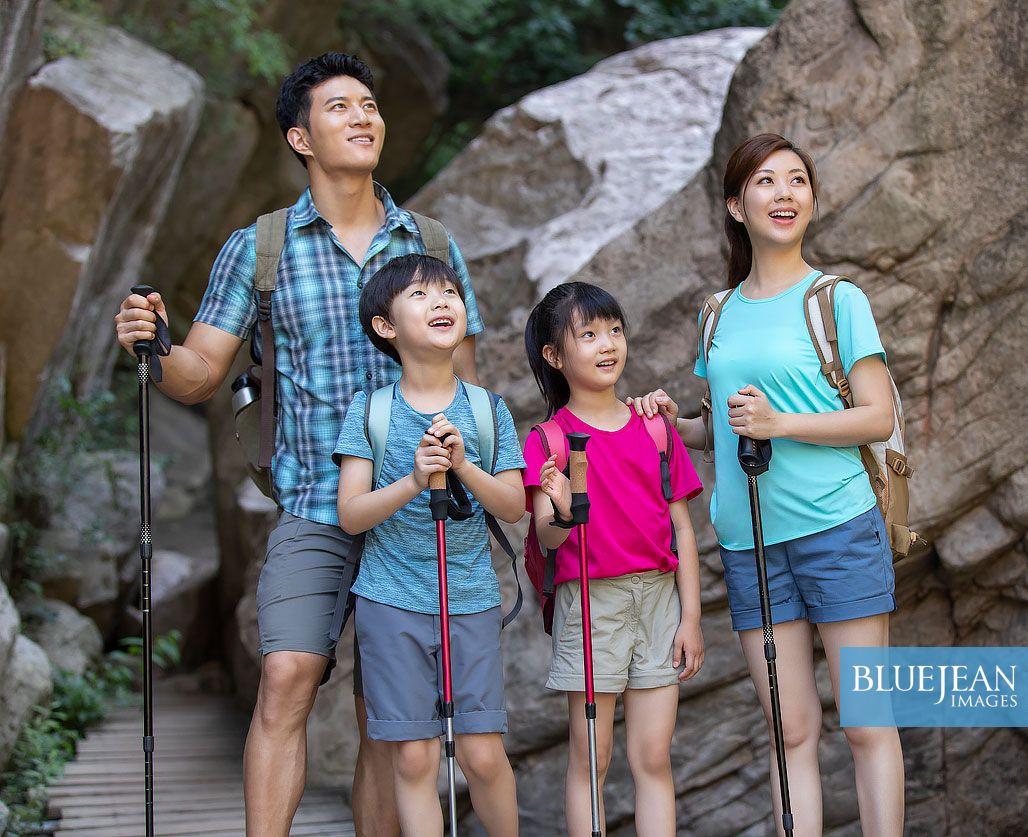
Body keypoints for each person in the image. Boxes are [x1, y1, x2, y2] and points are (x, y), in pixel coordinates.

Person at [113, 52, 483, 836]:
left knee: (388, 714)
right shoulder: (261, 249)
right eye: (340, 107)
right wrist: (154, 345)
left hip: (414, 515)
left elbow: (468, 393)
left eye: (370, 105)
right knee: (285, 675)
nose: (362, 117)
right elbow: (199, 374)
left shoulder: (432, 243)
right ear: (300, 137)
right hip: (316, 505)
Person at [632, 133, 905, 836]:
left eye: (796, 181)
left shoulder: (835, 299)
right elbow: (726, 430)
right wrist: (677, 425)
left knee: (867, 724)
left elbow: (877, 415)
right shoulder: (716, 313)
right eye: (765, 182)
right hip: (750, 541)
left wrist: (781, 421)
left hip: (837, 525)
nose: (784, 194)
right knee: (789, 731)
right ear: (735, 205)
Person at [335, 253, 523, 836]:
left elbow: (513, 505)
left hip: (468, 597)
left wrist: (464, 466)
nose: (442, 302)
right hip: (390, 603)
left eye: (448, 292)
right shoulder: (371, 412)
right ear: (385, 327)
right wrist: (414, 481)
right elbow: (350, 514)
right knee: (413, 756)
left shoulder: (489, 411)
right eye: (421, 296)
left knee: (483, 755)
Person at [522, 281, 705, 836]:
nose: (608, 345)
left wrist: (691, 617)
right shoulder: (549, 440)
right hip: (589, 601)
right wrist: (555, 503)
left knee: (653, 757)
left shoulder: (653, 427)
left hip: (658, 600)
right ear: (555, 356)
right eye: (589, 334)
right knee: (591, 760)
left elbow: (682, 529)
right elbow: (548, 539)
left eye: (616, 331)